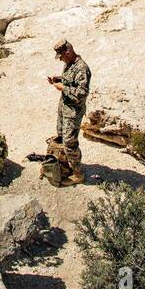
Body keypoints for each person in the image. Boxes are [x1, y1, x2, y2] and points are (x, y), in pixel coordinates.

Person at [47, 39, 90, 184]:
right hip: (64, 107)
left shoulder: (82, 68)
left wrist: (62, 88)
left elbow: (81, 93)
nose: (61, 61)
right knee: (61, 134)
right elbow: (70, 81)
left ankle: (78, 174)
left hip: (73, 111)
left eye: (61, 57)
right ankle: (66, 164)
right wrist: (58, 79)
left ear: (68, 51)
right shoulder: (69, 64)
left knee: (70, 142)